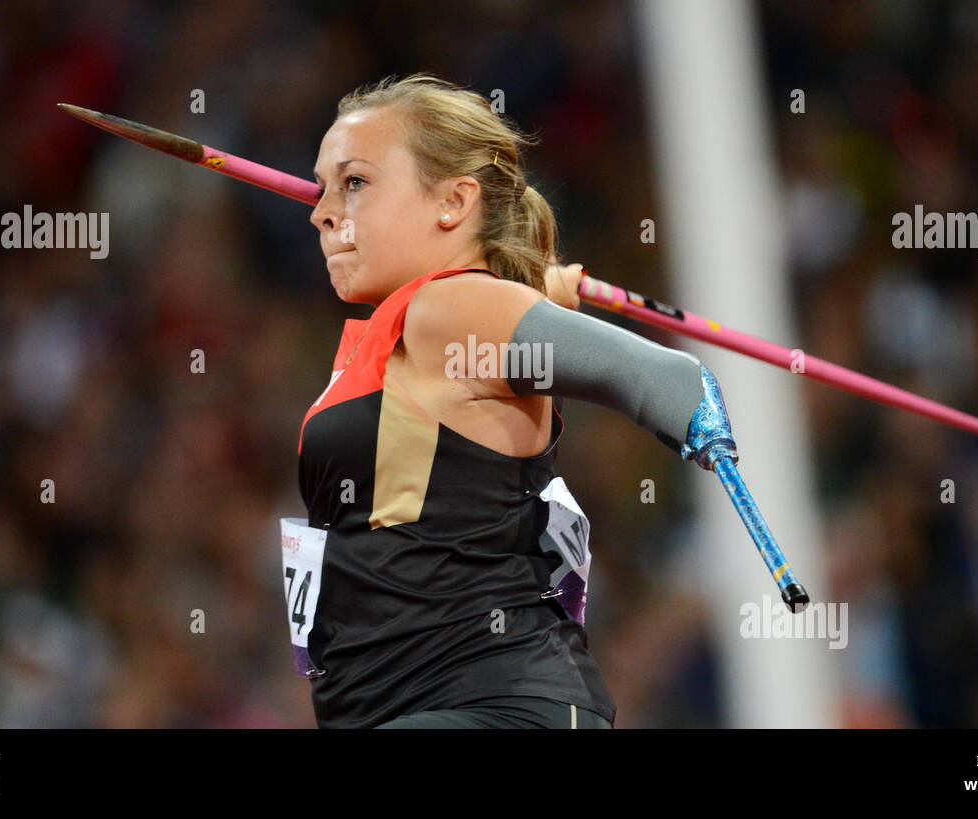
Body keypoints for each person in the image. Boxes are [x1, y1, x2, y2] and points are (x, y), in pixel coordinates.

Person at [288, 73, 739, 729]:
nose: (322, 211)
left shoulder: (447, 305)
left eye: (355, 182)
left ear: (453, 202)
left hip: (492, 706)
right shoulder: (395, 341)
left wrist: (702, 422)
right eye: (322, 186)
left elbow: (660, 376)